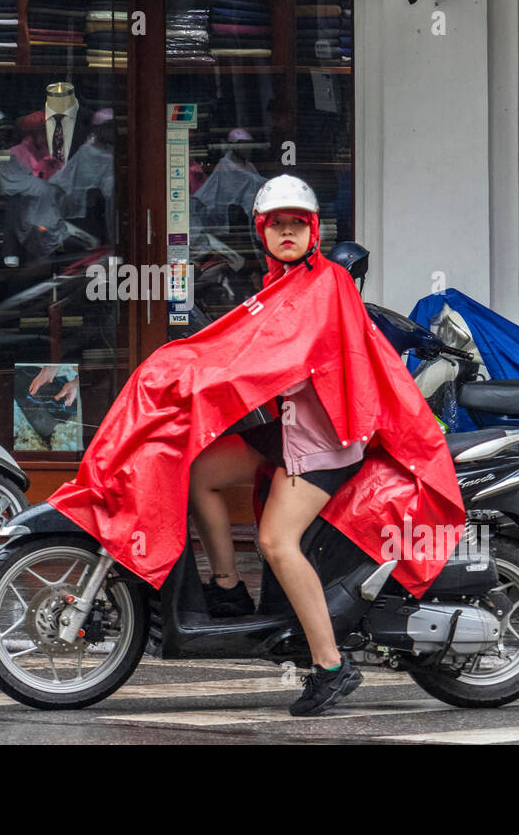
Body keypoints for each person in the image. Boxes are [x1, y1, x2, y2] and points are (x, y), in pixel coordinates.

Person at [187, 175, 367, 716]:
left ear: (312, 231)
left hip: (321, 440)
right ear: (261, 233)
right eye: (276, 224)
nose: (286, 232)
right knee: (199, 472)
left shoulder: (326, 283)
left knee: (276, 542)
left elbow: (289, 359)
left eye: (297, 224)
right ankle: (227, 588)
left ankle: (331, 666)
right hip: (287, 429)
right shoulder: (280, 282)